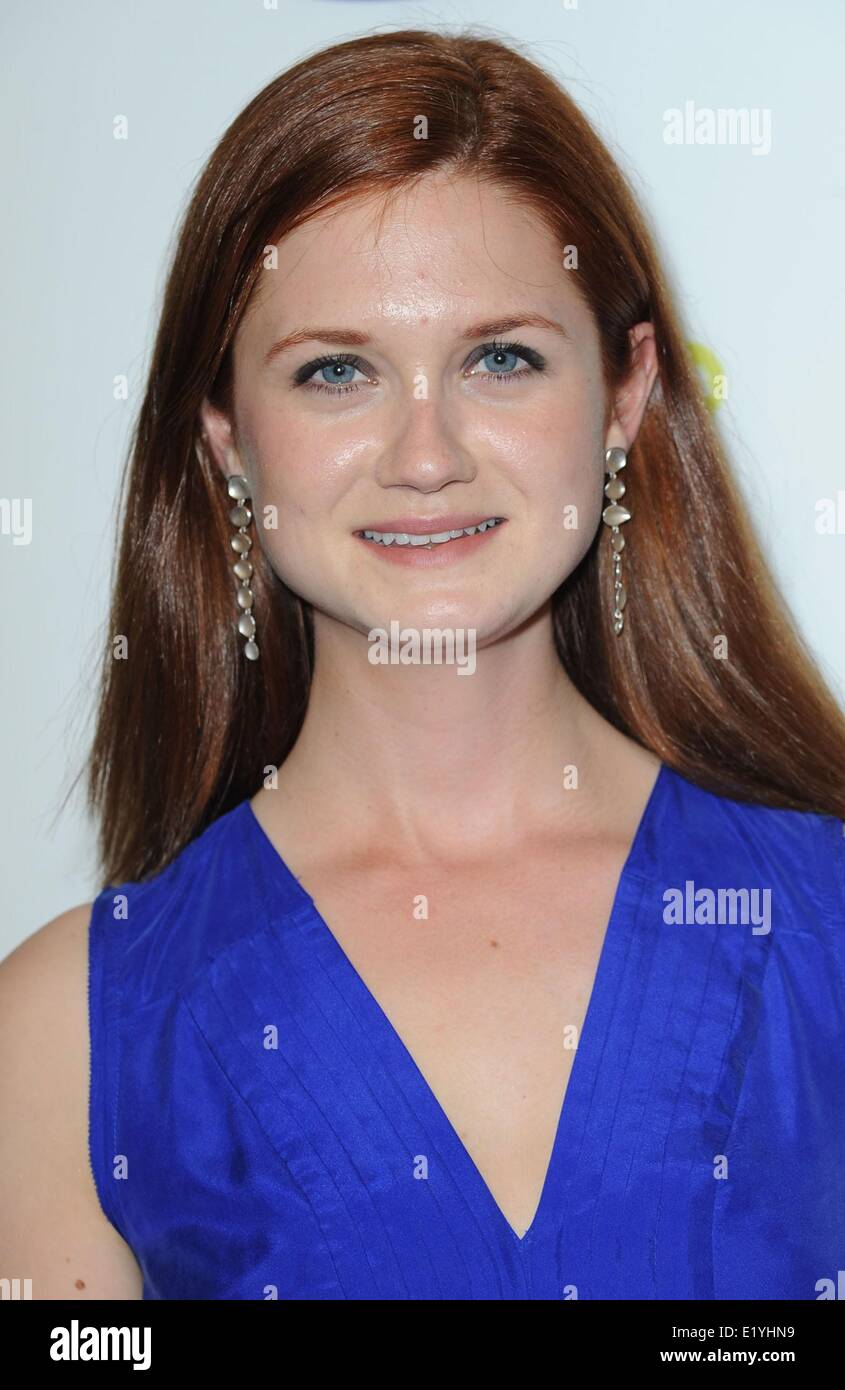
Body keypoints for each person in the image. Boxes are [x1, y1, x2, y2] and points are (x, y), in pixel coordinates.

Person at [2, 27, 844, 1301]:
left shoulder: (826, 924)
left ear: (623, 394)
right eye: (335, 370)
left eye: (498, 357)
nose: (425, 451)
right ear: (225, 435)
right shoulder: (64, 1035)